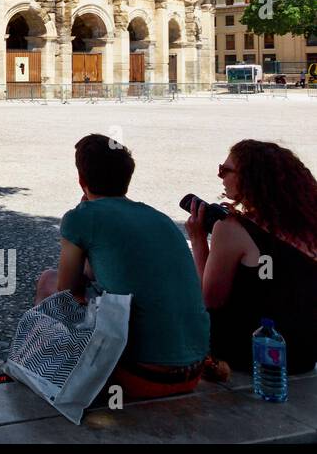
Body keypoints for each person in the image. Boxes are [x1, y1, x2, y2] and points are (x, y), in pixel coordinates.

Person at [35, 134, 209, 400]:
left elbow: (65, 292)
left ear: (82, 181)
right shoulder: (159, 218)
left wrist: (81, 216)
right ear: (127, 180)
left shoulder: (81, 217)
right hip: (192, 373)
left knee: (48, 281)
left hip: (142, 377)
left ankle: (40, 369)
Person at [187, 140, 317, 374]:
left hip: (248, 355)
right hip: (304, 356)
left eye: (225, 171)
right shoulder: (309, 227)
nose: (220, 177)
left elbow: (210, 300)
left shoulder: (231, 228)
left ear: (250, 177)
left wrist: (198, 240)